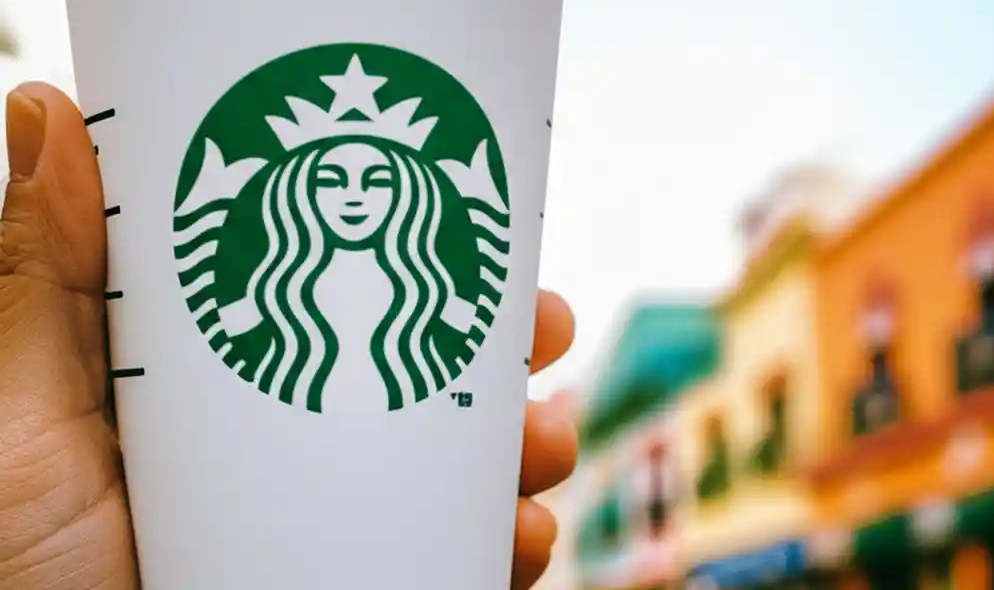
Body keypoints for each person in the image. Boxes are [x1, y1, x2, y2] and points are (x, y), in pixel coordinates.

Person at [0, 83, 578, 589]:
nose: (354, 196)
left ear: (407, 192)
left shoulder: (433, 303)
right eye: (332, 179)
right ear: (299, 189)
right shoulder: (264, 301)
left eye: (376, 180)